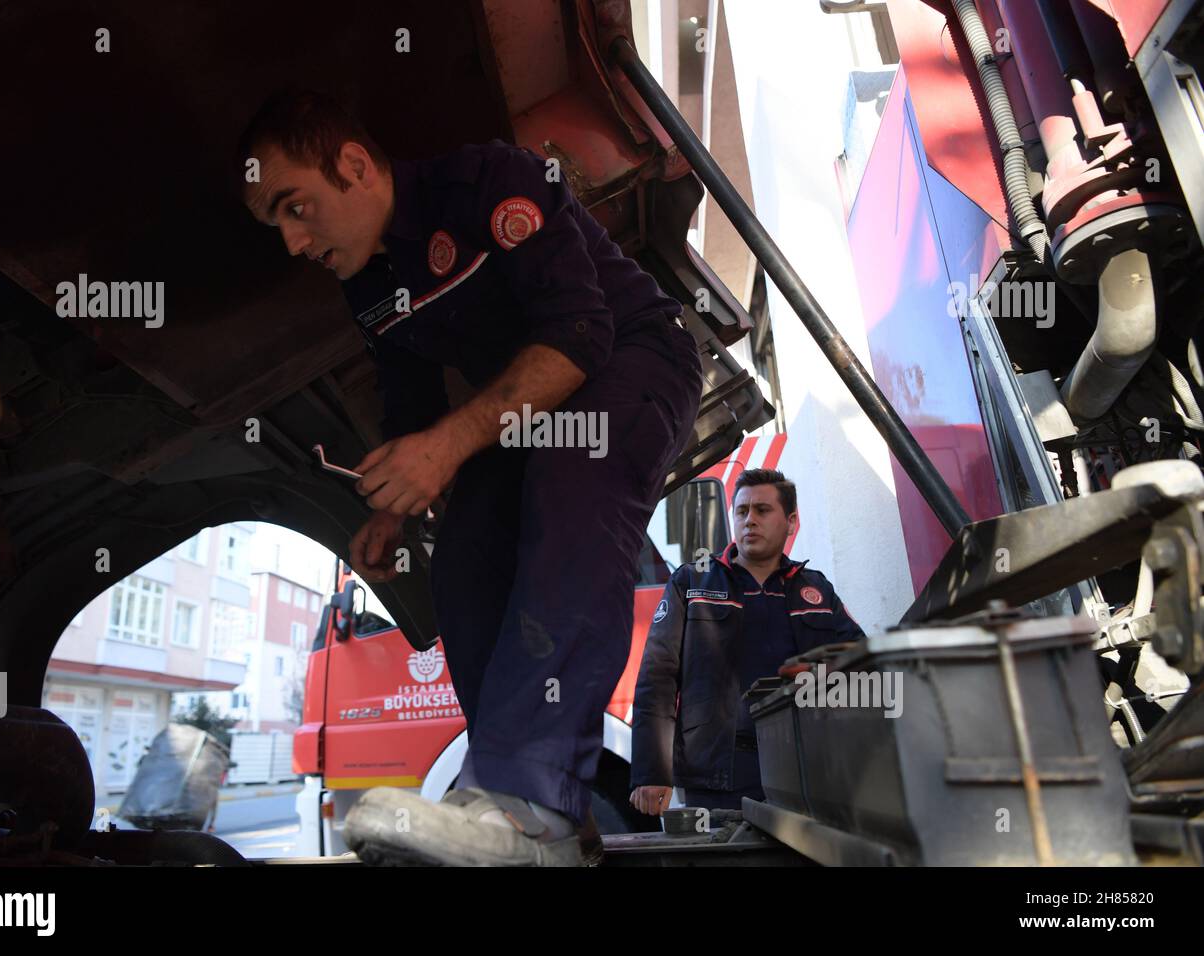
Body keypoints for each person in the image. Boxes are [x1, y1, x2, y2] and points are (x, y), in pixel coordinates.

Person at [240, 91, 703, 865]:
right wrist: (392, 508)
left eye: (296, 207)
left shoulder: (493, 183)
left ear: (354, 165)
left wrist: (446, 447)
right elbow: (412, 404)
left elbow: (579, 334)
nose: (291, 242)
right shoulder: (368, 287)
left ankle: (528, 802)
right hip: (523, 412)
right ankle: (536, 819)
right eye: (275, 225)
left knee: (569, 491)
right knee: (463, 557)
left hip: (631, 357)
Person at [629, 468, 864, 816]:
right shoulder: (690, 582)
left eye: (762, 510)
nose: (749, 520)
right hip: (717, 775)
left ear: (791, 521)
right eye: (741, 511)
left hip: (806, 769)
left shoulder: (816, 590)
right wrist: (651, 771)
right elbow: (657, 677)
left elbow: (858, 662)